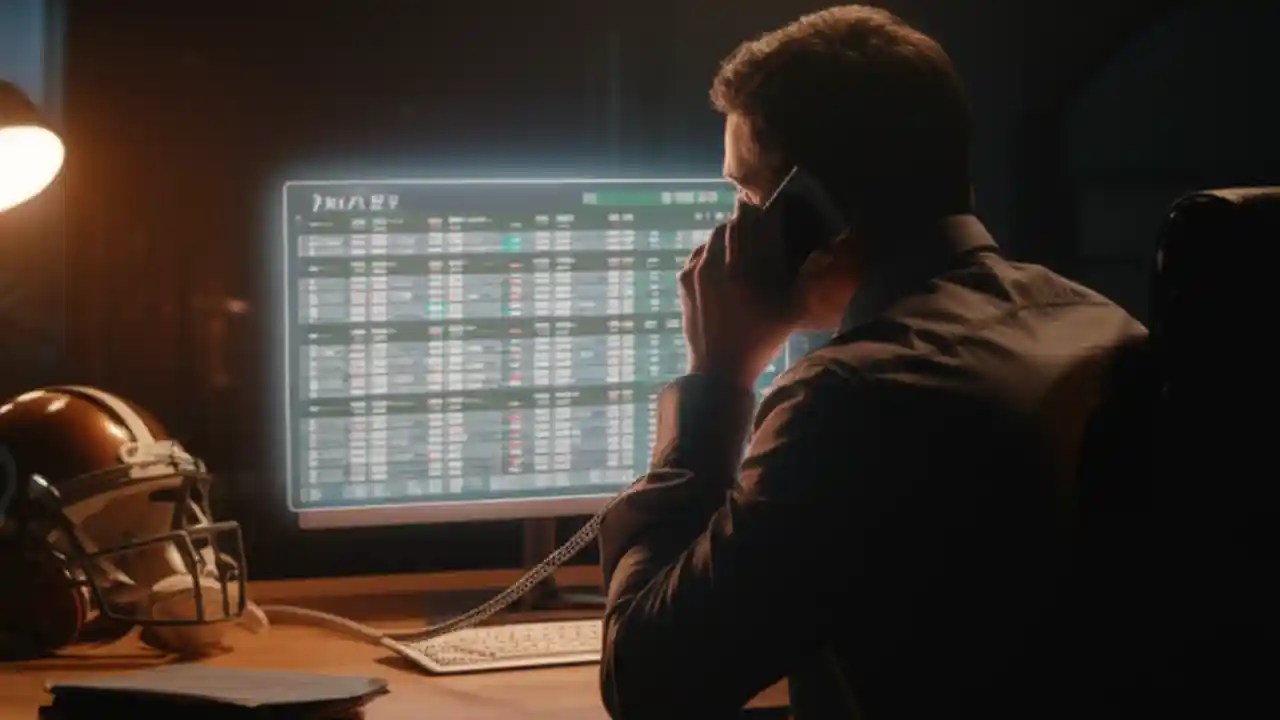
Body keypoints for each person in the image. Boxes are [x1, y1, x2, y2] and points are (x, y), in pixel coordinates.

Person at [596, 5, 1147, 719]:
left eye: (745, 196)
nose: (729, 234)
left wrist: (717, 377)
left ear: (809, 214)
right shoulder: (1102, 323)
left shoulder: (851, 398)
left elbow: (647, 679)